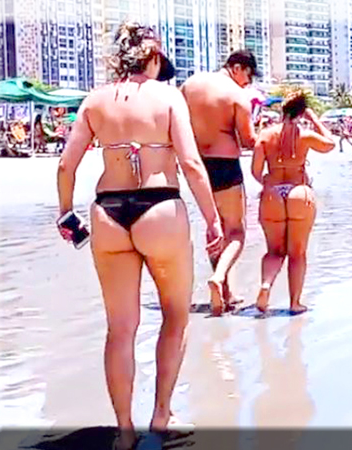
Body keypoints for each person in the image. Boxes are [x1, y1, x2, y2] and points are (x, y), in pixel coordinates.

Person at [56, 22, 223, 449]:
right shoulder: (169, 97)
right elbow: (191, 163)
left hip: (108, 214)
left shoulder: (94, 101)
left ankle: (124, 432)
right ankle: (161, 418)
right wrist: (212, 219)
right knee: (176, 315)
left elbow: (66, 166)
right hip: (160, 209)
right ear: (153, 59)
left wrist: (65, 212)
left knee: (120, 328)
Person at [180, 49, 259, 315]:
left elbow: (175, 123)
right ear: (237, 67)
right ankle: (219, 278)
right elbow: (249, 140)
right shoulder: (237, 95)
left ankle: (226, 293)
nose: (248, 83)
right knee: (236, 230)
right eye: (247, 75)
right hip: (225, 165)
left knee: (215, 228)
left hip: (197, 166)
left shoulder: (190, 85)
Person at [250, 92, 335, 314]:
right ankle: (295, 303)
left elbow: (255, 171)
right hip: (299, 193)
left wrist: (268, 183)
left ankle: (266, 285)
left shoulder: (265, 136)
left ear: (282, 110)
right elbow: (330, 144)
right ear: (301, 112)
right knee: (297, 253)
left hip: (273, 195)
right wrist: (315, 118)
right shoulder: (304, 135)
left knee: (274, 251)